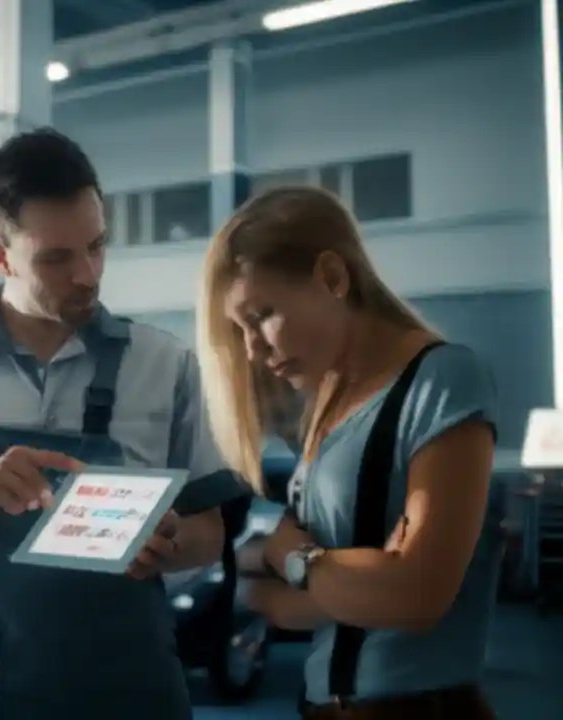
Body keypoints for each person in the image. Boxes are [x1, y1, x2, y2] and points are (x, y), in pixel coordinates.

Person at [0, 128, 248, 719]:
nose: (87, 274)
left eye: (97, 246)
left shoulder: (165, 366)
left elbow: (209, 532)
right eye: (56, 258)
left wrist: (167, 542)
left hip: (134, 699)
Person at [196, 186, 502, 719]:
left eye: (262, 314)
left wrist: (289, 555)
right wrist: (333, 578)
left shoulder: (444, 379)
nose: (251, 349)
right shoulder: (324, 405)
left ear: (333, 278)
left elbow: (416, 594)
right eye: (239, 329)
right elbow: (292, 607)